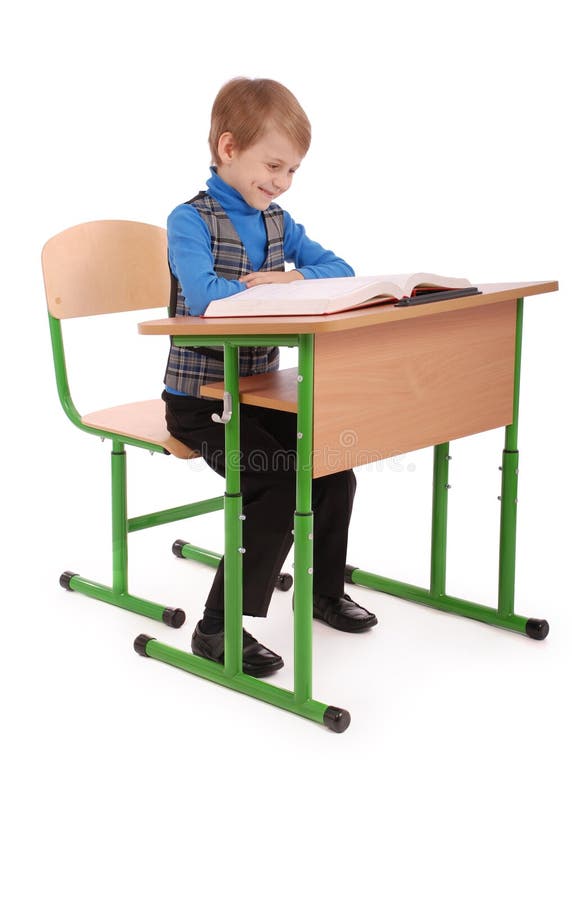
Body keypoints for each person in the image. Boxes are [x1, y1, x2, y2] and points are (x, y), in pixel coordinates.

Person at [162, 77, 377, 677]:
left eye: (292, 171)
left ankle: (323, 592)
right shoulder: (190, 220)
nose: (281, 182)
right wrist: (268, 289)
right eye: (273, 164)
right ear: (228, 148)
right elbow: (204, 297)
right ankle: (216, 629)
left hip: (256, 396)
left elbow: (341, 268)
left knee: (333, 468)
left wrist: (291, 280)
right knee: (276, 482)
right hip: (201, 401)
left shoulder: (279, 221)